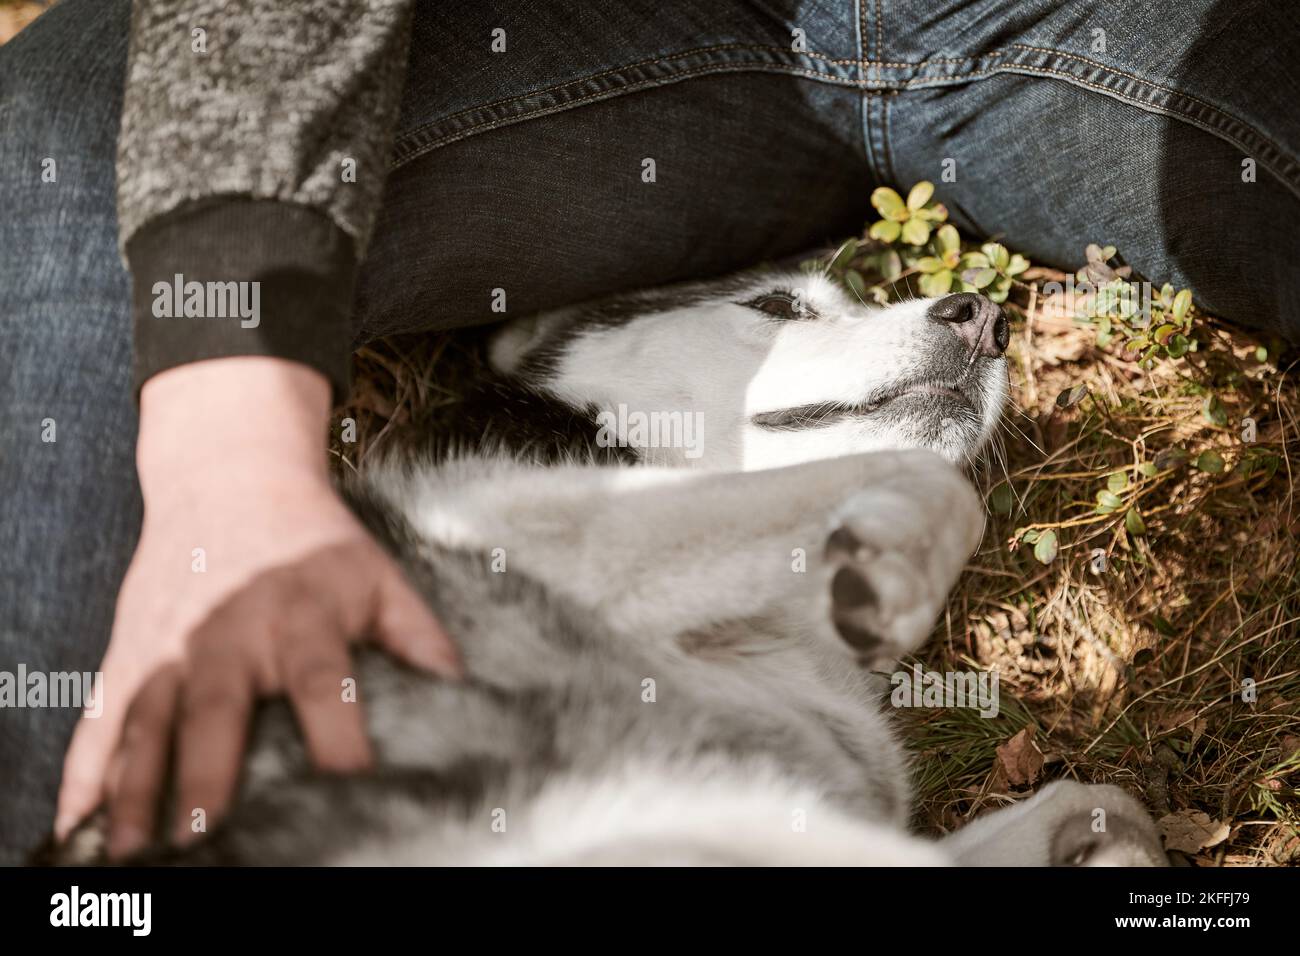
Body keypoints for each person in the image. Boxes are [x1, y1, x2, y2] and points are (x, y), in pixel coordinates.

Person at [1, 0, 1296, 865]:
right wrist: (231, 464)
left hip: (1086, 22)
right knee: (58, 133)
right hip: (614, 41)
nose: (966, 322)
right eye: (792, 309)